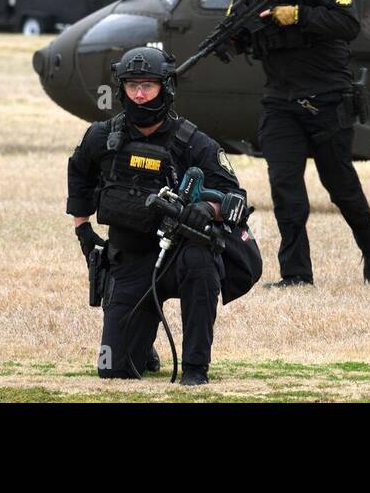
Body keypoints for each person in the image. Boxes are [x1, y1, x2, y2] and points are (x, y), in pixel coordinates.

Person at [66, 46, 246, 386]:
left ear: (166, 87)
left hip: (179, 256)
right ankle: (142, 345)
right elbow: (79, 171)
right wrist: (83, 229)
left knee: (201, 263)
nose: (139, 94)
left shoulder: (194, 142)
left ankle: (195, 367)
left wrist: (206, 209)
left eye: (148, 85)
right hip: (129, 260)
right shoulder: (101, 137)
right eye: (132, 85)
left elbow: (236, 198)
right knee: (114, 371)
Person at [228, 0, 370, 286]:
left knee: (341, 187)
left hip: (327, 100)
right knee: (286, 189)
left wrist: (296, 16)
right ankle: (297, 274)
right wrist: (240, 30)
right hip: (281, 102)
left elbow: (348, 24)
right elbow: (233, 34)